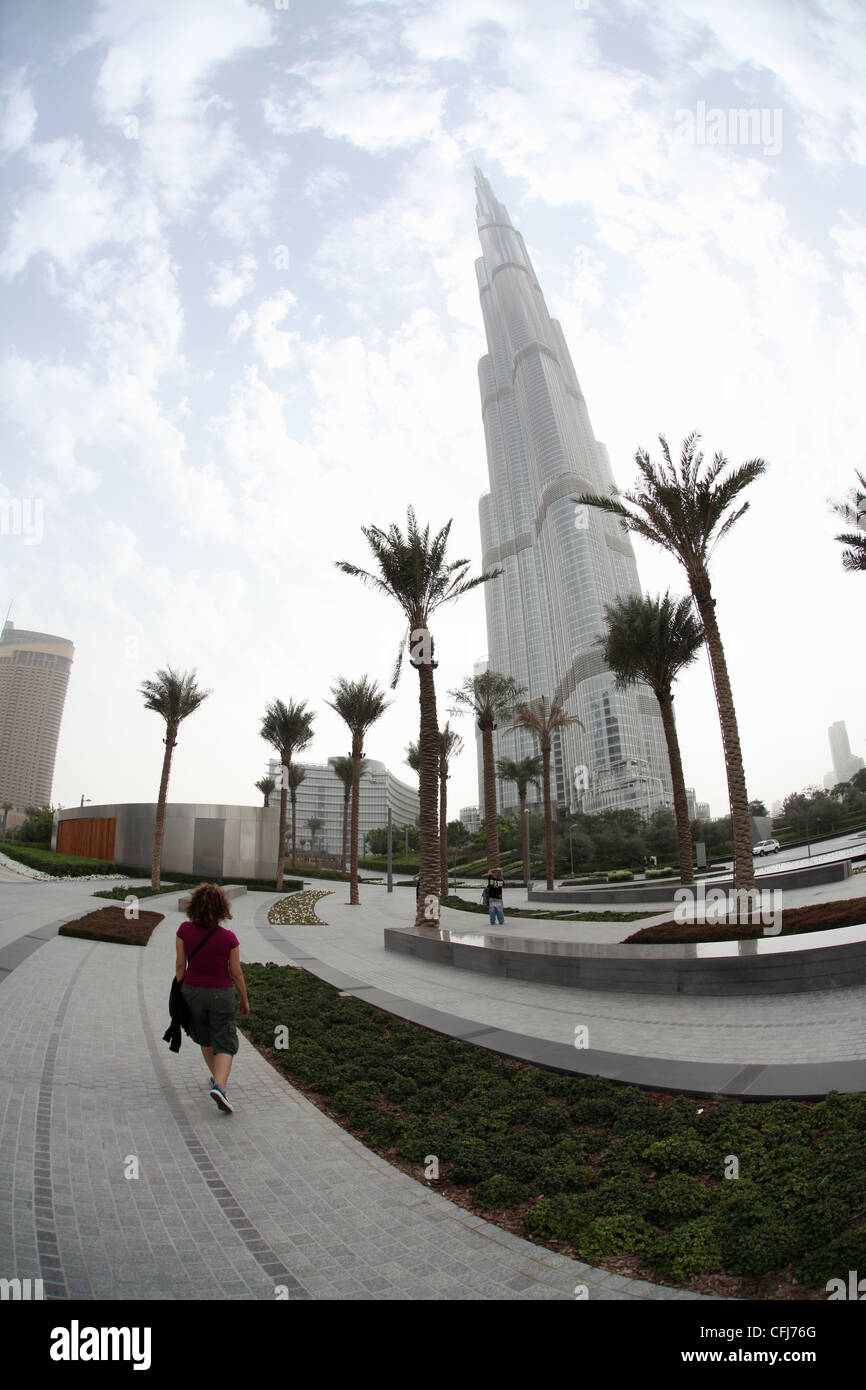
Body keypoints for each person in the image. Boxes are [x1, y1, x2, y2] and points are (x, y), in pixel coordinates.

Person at [175, 883, 249, 1114]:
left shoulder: (184, 930)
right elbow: (236, 972)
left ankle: (216, 1080)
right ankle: (220, 1085)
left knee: (205, 1036)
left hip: (192, 992)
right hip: (221, 993)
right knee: (225, 1039)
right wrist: (244, 999)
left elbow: (180, 965)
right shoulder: (229, 937)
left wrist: (179, 993)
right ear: (222, 909)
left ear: (194, 905)